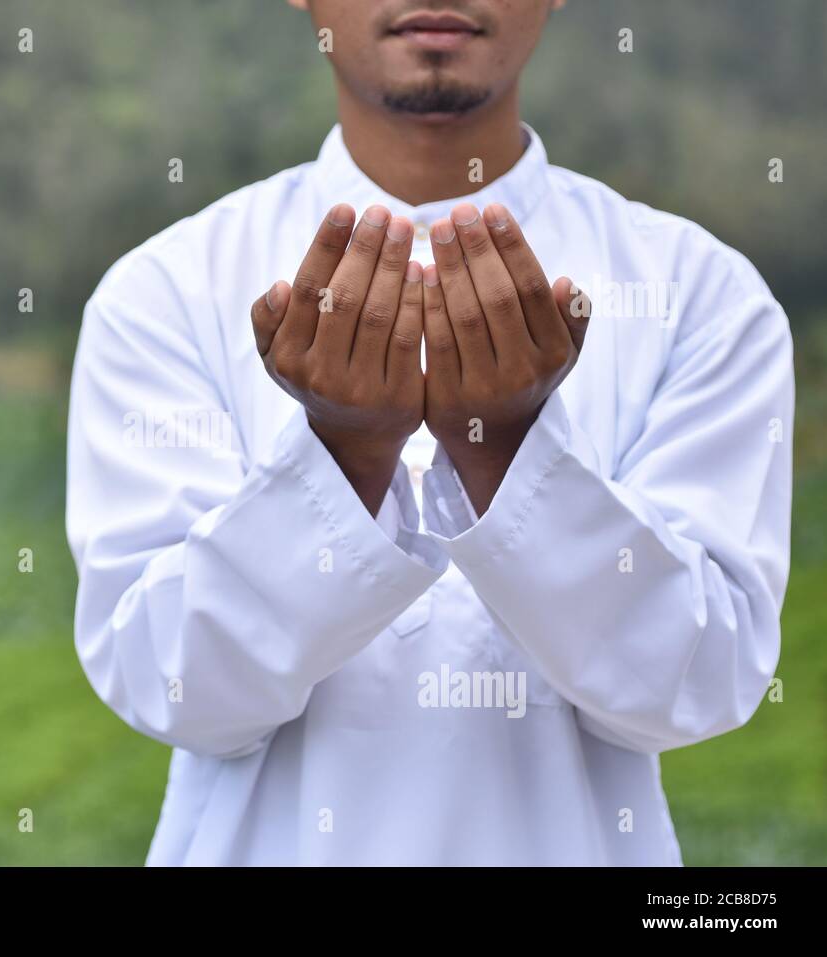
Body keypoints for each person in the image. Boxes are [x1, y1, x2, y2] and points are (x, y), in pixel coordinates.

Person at [65, 0, 793, 865]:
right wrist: (344, 455)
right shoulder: (166, 293)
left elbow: (695, 686)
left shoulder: (698, 295)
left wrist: (511, 449)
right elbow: (172, 687)